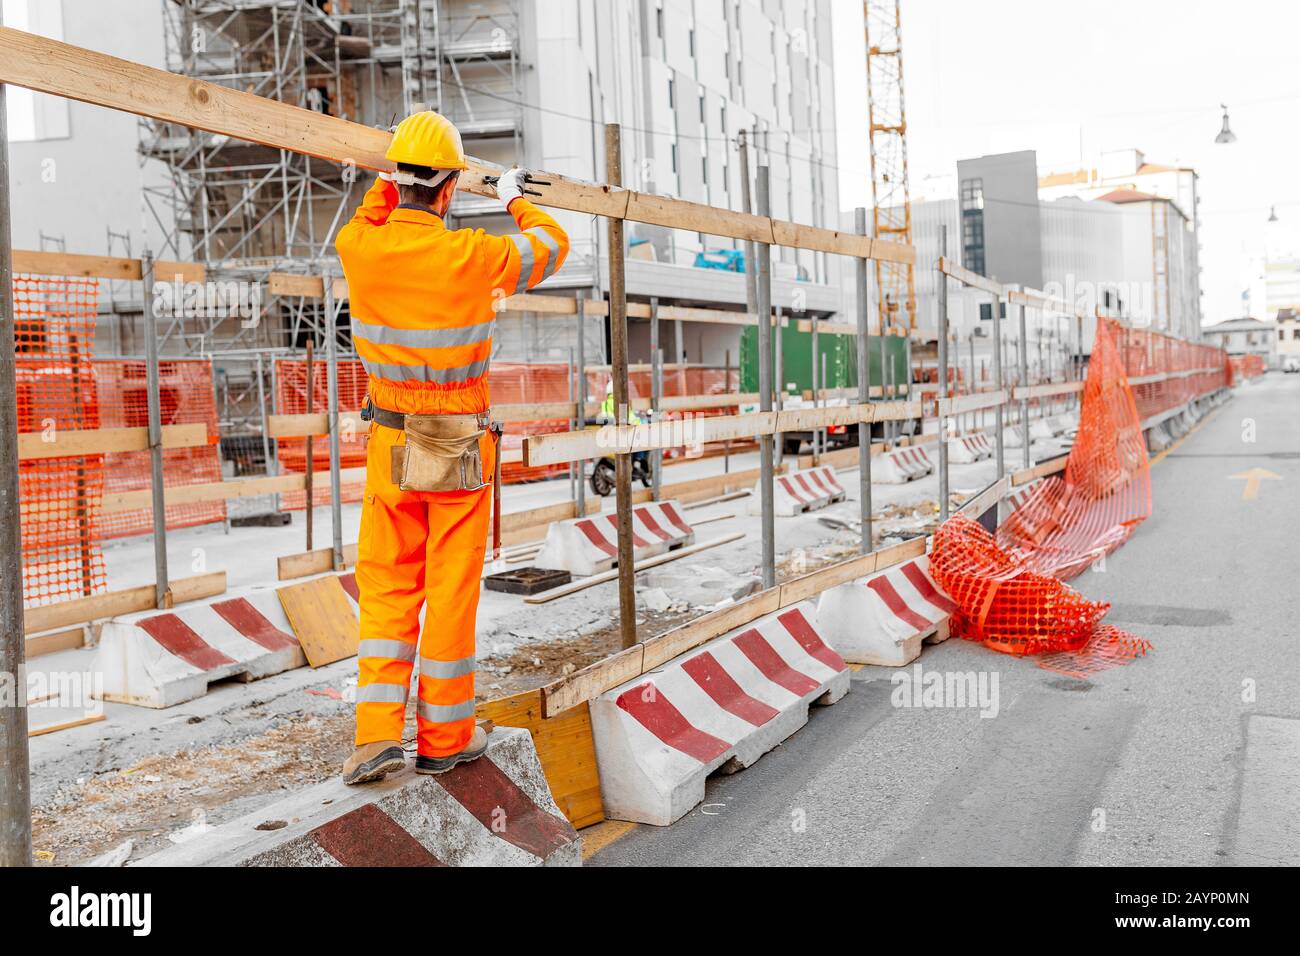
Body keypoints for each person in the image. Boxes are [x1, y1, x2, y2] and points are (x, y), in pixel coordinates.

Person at [335, 111, 568, 784]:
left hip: (389, 440)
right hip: (456, 444)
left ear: (398, 181)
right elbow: (553, 245)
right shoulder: (474, 258)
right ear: (448, 189)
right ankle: (443, 739)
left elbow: (374, 211)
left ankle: (375, 737)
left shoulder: (361, 247)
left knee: (386, 589)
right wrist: (512, 195)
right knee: (450, 589)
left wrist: (394, 174)